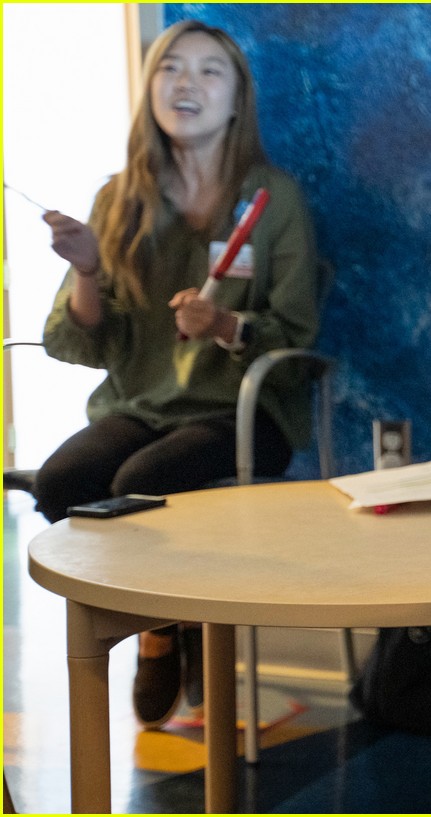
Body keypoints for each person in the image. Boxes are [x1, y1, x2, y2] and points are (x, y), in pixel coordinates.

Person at [33, 20, 321, 730]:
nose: (187, 83)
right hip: (144, 401)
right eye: (171, 69)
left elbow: (299, 338)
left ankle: (164, 630)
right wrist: (86, 270)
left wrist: (224, 326)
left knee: (140, 483)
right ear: (150, 90)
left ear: (236, 100)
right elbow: (87, 344)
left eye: (209, 71)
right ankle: (170, 618)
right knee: (60, 483)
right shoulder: (118, 197)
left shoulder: (272, 197)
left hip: (245, 411)